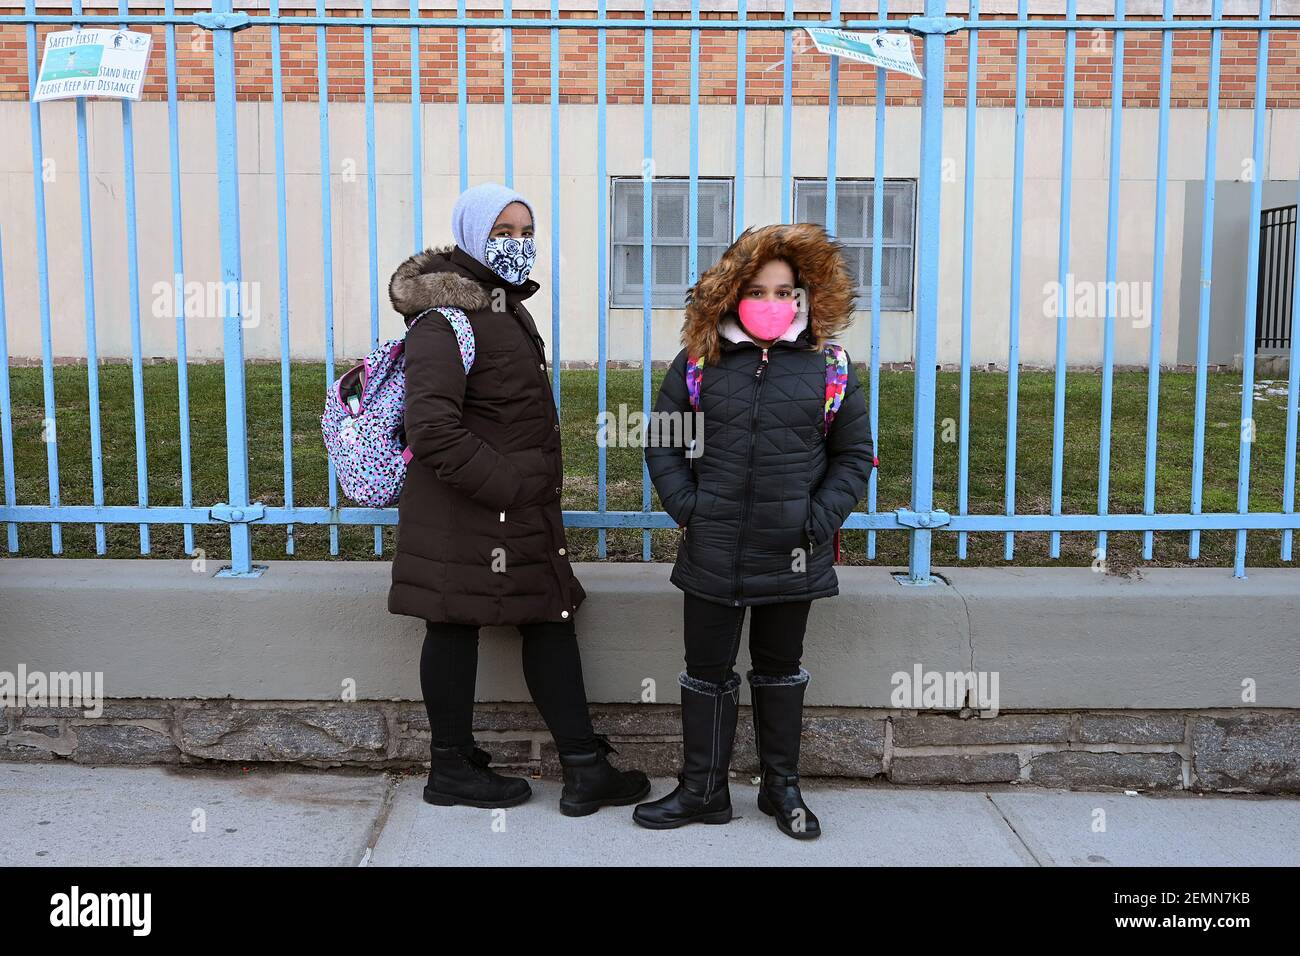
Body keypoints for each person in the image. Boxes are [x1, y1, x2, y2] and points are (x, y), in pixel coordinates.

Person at [387, 182, 649, 816]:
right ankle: (465, 766)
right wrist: (511, 487)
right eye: (504, 233)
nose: (519, 245)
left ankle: (572, 767)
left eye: (527, 233)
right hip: (474, 509)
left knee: (542, 613)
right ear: (475, 236)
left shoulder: (503, 309)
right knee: (459, 622)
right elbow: (431, 430)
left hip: (509, 509)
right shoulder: (443, 320)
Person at [635, 222, 874, 839]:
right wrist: (690, 508)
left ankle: (781, 788)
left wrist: (815, 520)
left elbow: (854, 456)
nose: (773, 304)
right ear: (732, 292)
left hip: (792, 552)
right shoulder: (698, 362)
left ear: (805, 296)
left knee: (780, 669)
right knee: (705, 671)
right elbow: (662, 442)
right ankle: (702, 790)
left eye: (785, 291)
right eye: (759, 290)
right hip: (711, 546)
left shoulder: (830, 367)